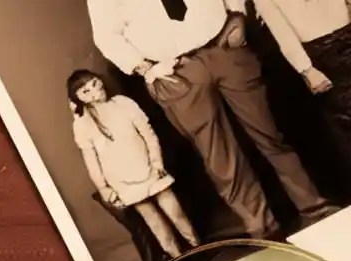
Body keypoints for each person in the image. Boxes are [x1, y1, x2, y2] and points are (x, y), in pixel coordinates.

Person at [86, 0, 342, 240]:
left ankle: (313, 206)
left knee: (270, 135)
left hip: (223, 48)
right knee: (220, 157)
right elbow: (106, 36)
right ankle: (263, 230)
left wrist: (238, 14)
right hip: (172, 72)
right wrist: (145, 68)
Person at [68, 69, 200, 259]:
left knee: (175, 211)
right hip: (121, 180)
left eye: (94, 83)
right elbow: (90, 158)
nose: (94, 91)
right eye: (85, 91)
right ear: (78, 98)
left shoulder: (124, 103)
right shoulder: (82, 123)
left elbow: (148, 134)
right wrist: (103, 187)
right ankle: (176, 256)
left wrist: (156, 161)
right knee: (153, 220)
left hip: (149, 168)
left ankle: (197, 246)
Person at [253, 0, 351, 149]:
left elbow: (283, 34)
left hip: (335, 43)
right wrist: (307, 69)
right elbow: (283, 34)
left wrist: (306, 69)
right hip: (323, 55)